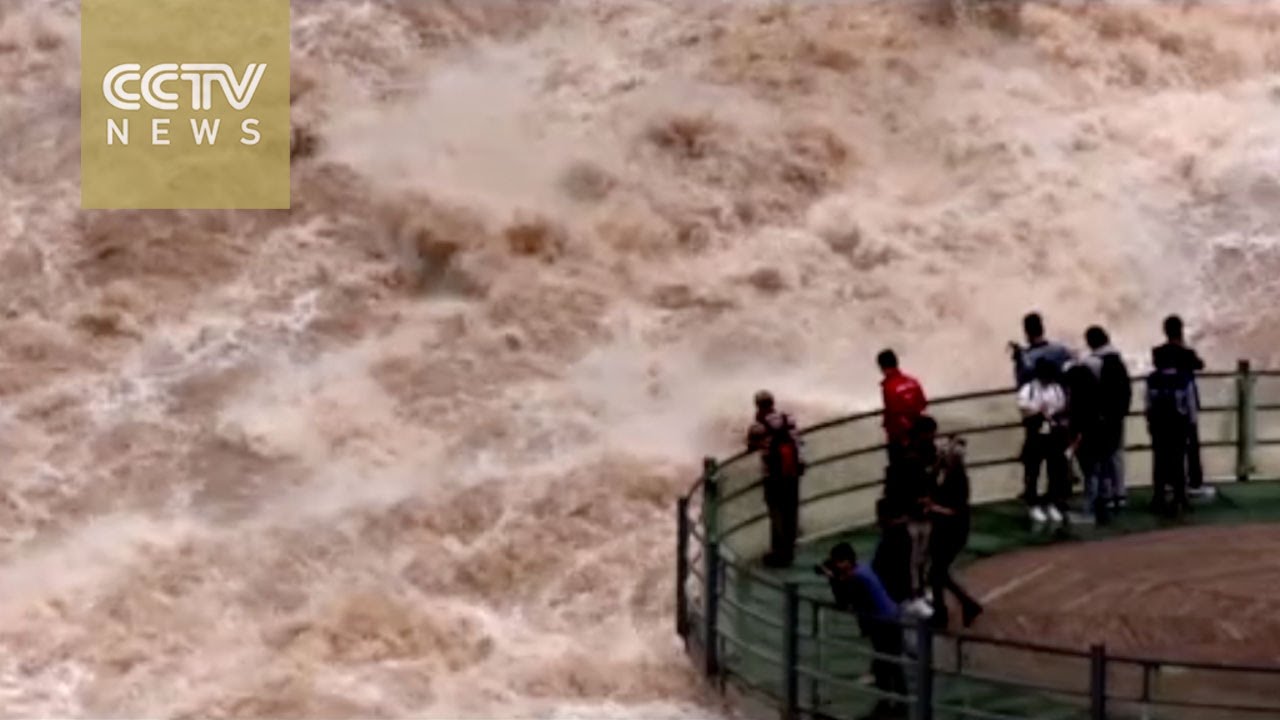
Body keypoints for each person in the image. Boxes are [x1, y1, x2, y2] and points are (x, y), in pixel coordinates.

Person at [817, 542, 909, 719]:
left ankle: (896, 707)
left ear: (847, 562)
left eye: (837, 562)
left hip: (885, 625)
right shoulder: (863, 569)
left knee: (889, 665)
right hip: (889, 620)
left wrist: (832, 579)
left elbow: (844, 601)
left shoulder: (857, 579)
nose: (835, 566)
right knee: (888, 664)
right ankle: (894, 704)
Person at [883, 415, 939, 619]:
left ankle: (922, 591)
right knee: (911, 559)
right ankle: (912, 596)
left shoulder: (930, 453)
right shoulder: (904, 457)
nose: (933, 437)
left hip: (925, 514)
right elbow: (897, 488)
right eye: (930, 434)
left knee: (923, 557)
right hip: (909, 516)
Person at [925, 433, 984, 629]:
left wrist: (932, 507)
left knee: (937, 573)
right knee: (936, 573)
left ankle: (949, 611)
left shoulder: (959, 479)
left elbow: (955, 510)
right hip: (942, 529)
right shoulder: (943, 474)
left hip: (953, 530)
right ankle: (958, 607)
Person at [1153, 315, 1211, 499]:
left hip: (1163, 408)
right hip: (1186, 405)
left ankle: (1170, 483)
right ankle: (1194, 483)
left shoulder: (1158, 352)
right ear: (1181, 330)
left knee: (1166, 449)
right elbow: (1200, 365)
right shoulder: (1186, 353)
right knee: (1191, 446)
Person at [746, 390, 805, 567]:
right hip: (792, 472)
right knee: (791, 509)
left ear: (758, 406)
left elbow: (751, 446)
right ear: (773, 402)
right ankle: (790, 547)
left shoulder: (759, 426)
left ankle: (779, 553)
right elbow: (799, 442)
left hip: (773, 476)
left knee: (776, 512)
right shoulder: (788, 419)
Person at [1082, 326, 1132, 514]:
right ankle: (1120, 493)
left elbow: (1088, 391)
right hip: (1117, 414)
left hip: (1100, 417)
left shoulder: (1091, 362)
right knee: (1117, 454)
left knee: (1101, 456)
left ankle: (1106, 495)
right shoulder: (1118, 359)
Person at [1017, 357, 1071, 524]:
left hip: (1053, 435)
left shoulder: (1055, 388)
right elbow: (1023, 407)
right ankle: (1032, 505)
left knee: (1054, 470)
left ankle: (1052, 503)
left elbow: (1062, 406)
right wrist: (1038, 411)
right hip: (1035, 435)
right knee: (1032, 471)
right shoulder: (1029, 389)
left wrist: (1055, 416)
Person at [1145, 346, 1195, 517]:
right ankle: (1179, 497)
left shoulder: (1152, 379)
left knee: (1159, 462)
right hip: (1178, 426)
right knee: (1178, 461)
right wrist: (1191, 424)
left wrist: (1149, 422)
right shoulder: (1184, 379)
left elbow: (1148, 404)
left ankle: (1159, 496)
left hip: (1159, 426)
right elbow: (1190, 405)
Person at [1063, 359, 1104, 523]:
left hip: (1085, 440)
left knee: (1091, 474)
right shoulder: (1095, 396)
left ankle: (1089, 512)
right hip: (1096, 437)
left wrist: (1075, 443)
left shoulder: (1079, 401)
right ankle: (1098, 509)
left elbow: (1081, 425)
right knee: (1095, 474)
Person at [879, 349, 928, 469]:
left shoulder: (889, 387)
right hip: (920, 436)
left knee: (900, 475)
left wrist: (905, 437)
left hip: (899, 440)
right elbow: (923, 404)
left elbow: (894, 414)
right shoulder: (913, 381)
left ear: (882, 367)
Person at [1009, 312, 1073, 389]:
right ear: (1042, 328)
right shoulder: (1060, 350)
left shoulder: (1025, 358)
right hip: (1061, 396)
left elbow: (1021, 384)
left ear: (1026, 332)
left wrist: (1018, 362)